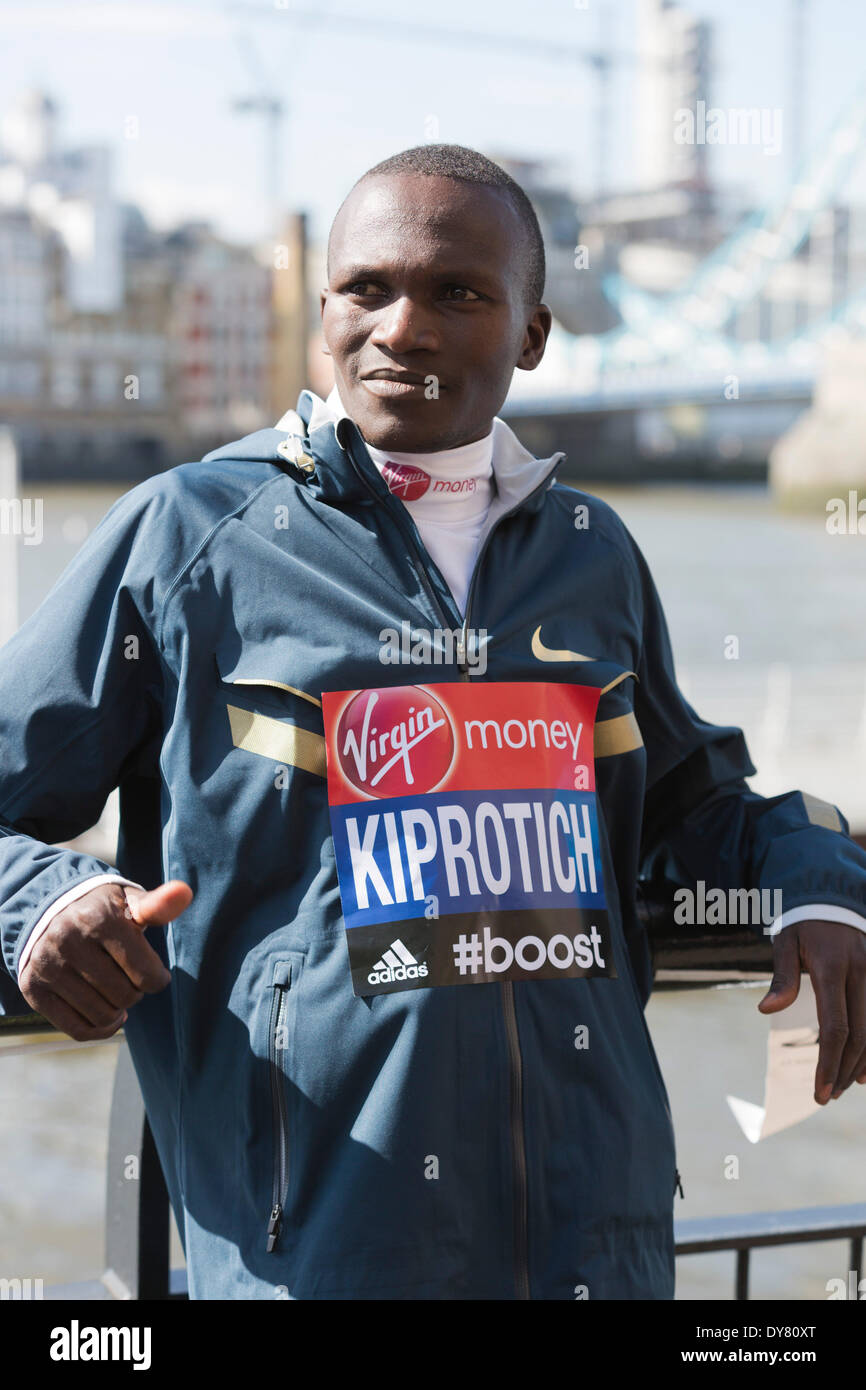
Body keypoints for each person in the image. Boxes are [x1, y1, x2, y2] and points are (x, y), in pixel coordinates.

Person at [1, 144, 865, 1301]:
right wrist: (43, 904)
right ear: (322, 313)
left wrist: (815, 881)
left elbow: (690, 801)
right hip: (314, 1252)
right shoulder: (189, 535)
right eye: (366, 288)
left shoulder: (588, 551)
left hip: (594, 1247)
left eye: (457, 292)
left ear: (532, 335)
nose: (401, 330)